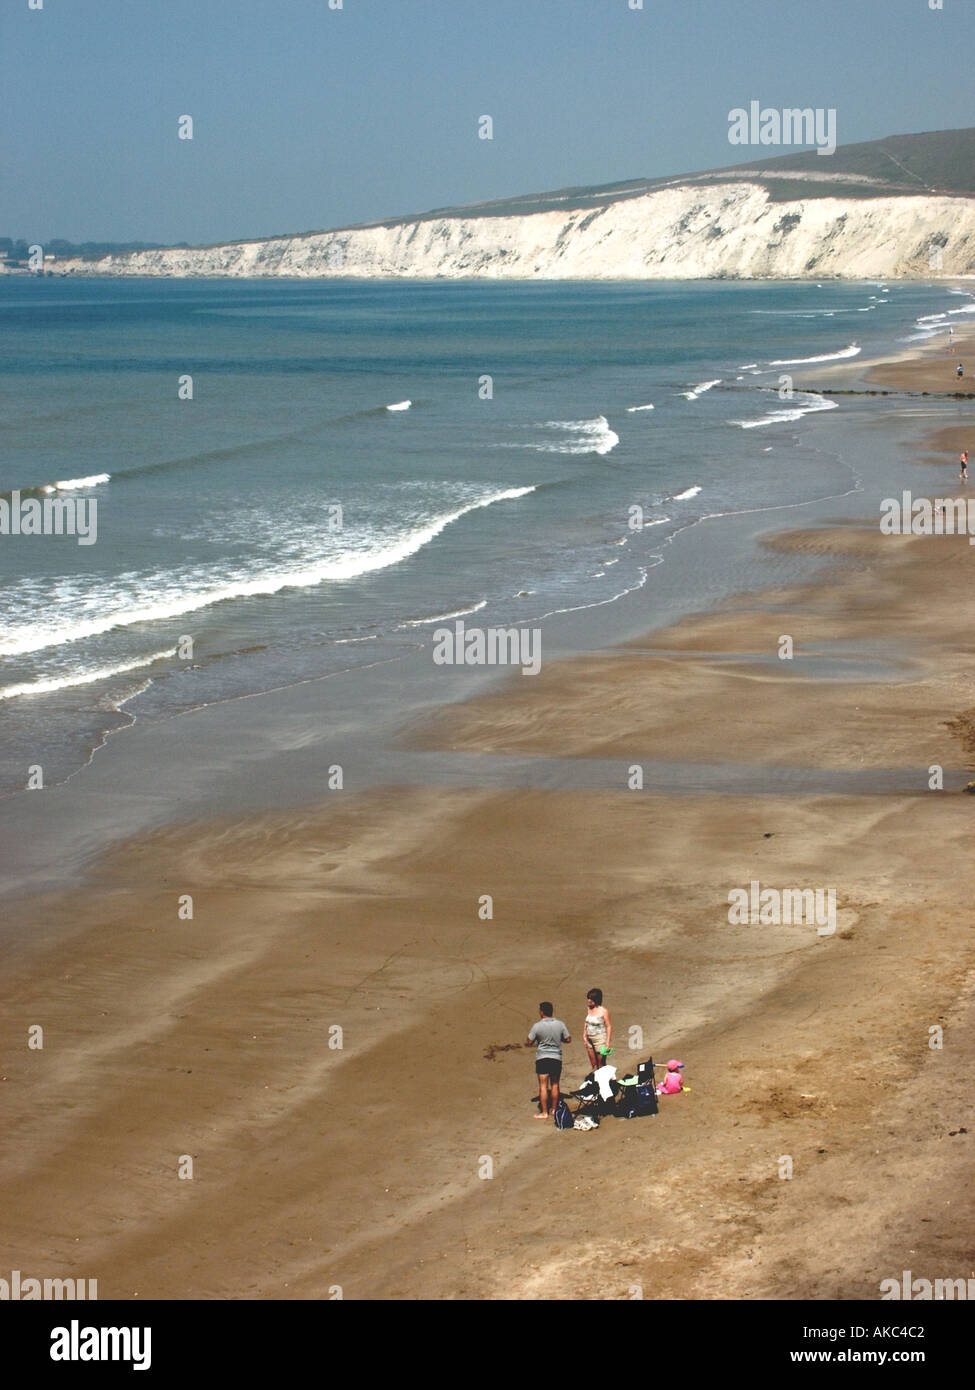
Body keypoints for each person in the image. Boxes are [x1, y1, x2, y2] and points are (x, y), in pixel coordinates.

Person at [527, 1002, 571, 1121]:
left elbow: (529, 1042)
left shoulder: (537, 1026)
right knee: (555, 1084)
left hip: (542, 1058)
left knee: (543, 1086)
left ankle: (544, 1112)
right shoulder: (560, 1024)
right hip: (556, 1058)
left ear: (542, 1012)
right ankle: (554, 1109)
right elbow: (568, 1039)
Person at [583, 988, 613, 1073]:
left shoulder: (603, 1011)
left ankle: (604, 1083)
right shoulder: (589, 1008)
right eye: (588, 998)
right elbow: (586, 1022)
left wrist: (607, 1043)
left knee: (601, 1065)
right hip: (589, 1039)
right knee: (594, 1065)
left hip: (600, 1039)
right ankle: (596, 1083)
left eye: (591, 999)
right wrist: (584, 1035)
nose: (589, 1000)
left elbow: (608, 1026)